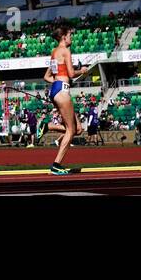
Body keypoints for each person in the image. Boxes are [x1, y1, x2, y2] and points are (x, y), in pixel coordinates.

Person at [44, 23, 93, 175]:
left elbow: (47, 76)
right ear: (64, 37)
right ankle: (56, 165)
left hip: (56, 89)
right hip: (62, 91)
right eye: (70, 35)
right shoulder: (65, 50)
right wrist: (83, 71)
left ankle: (50, 126)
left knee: (78, 129)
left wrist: (58, 84)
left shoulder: (54, 52)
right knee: (71, 130)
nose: (71, 37)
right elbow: (72, 74)